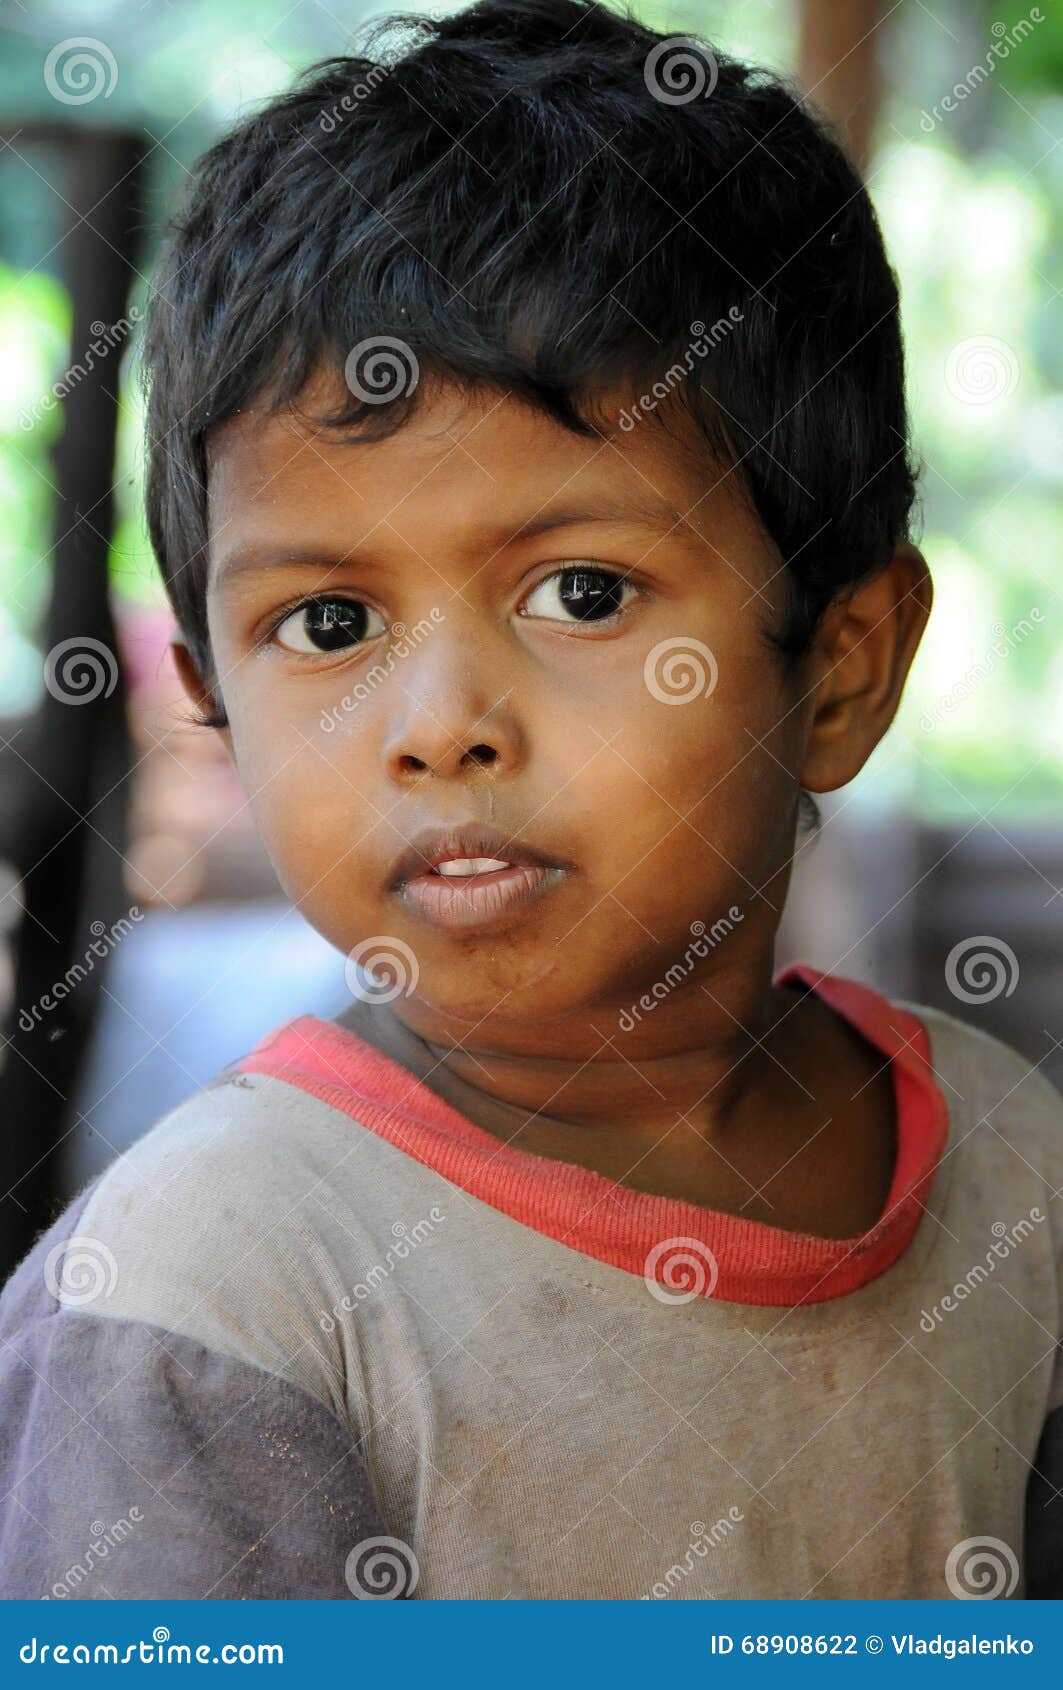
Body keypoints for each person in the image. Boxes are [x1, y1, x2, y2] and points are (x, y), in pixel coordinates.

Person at [1, 0, 1060, 1601]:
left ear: (840, 667)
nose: (440, 730)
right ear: (215, 691)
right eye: (331, 624)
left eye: (579, 591)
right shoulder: (206, 1297)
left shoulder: (1015, 1173)